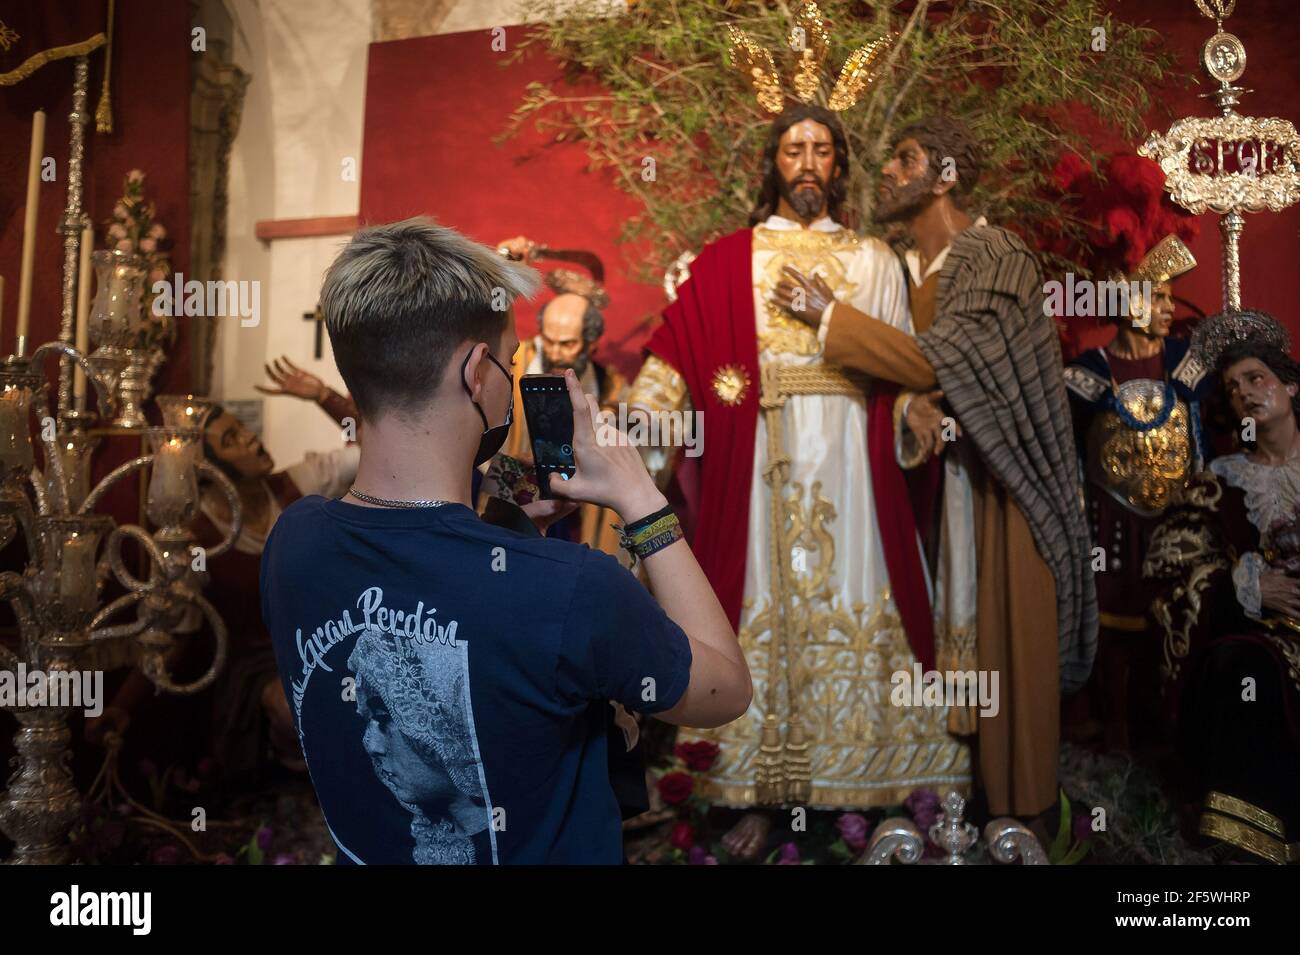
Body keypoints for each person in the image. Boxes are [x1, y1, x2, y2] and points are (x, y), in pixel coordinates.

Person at [260, 216, 750, 864]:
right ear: (473, 372)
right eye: (511, 360)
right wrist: (641, 498)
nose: (512, 378)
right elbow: (726, 686)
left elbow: (438, 575)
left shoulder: (293, 543)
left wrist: (514, 528)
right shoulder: (572, 587)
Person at [626, 101, 971, 861]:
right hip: (761, 460)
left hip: (856, 461)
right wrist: (648, 415)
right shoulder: (728, 258)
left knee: (866, 595)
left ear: (839, 165)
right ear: (773, 165)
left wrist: (916, 409)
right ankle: (758, 791)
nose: (808, 161)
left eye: (821, 149)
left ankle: (886, 780)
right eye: (793, 149)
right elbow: (679, 351)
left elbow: (904, 362)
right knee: (755, 606)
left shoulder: (877, 259)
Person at [776, 114, 1097, 827]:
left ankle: (1025, 824)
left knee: (1008, 649)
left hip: (1007, 485)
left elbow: (942, 359)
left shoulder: (994, 256)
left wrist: (832, 319)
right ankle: (959, 808)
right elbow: (918, 384)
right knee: (959, 647)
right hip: (944, 488)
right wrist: (909, 409)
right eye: (891, 158)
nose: (889, 170)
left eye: (908, 157)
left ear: (945, 176)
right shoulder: (903, 269)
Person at [1143, 322, 1300, 863]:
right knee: (1241, 668)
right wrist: (1249, 588)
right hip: (1267, 637)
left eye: (1256, 378)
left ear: (1291, 386)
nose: (1245, 393)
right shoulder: (1219, 481)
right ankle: (1251, 848)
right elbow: (1174, 568)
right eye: (1233, 387)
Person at [1063, 234, 1209, 750]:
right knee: (1109, 632)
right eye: (1160, 297)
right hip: (1110, 524)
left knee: (1175, 626)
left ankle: (1170, 736)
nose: (1170, 308)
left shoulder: (1186, 362)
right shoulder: (1089, 371)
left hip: (1178, 525)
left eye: (1171, 298)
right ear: (1129, 303)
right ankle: (1111, 733)